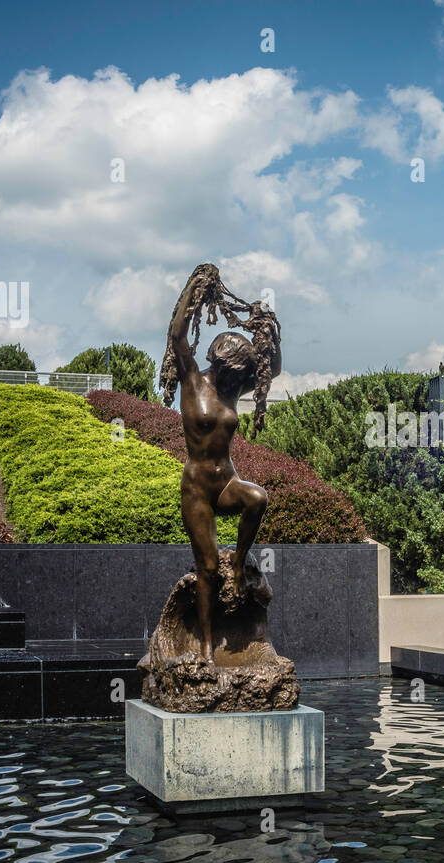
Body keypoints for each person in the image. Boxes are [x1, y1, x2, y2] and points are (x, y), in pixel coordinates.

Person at [163, 265, 281, 663]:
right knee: (207, 569)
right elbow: (178, 336)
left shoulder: (233, 390)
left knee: (258, 498)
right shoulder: (192, 379)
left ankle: (239, 556)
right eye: (237, 369)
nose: (241, 379)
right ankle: (204, 647)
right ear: (224, 361)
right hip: (197, 487)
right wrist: (194, 292)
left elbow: (273, 370)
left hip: (227, 482)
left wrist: (270, 329)